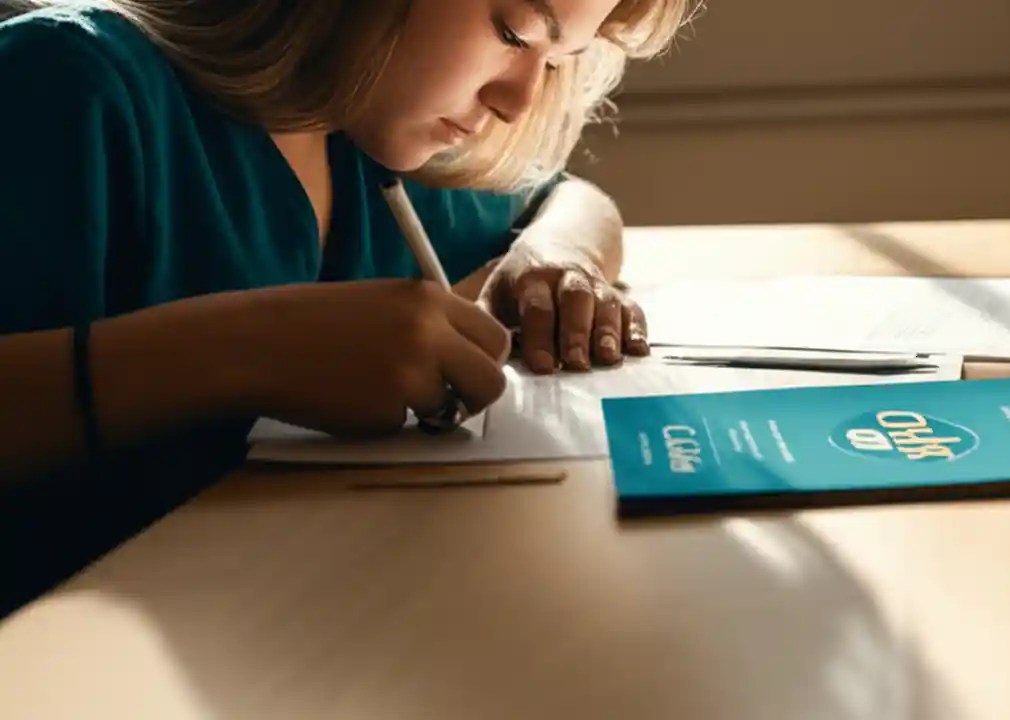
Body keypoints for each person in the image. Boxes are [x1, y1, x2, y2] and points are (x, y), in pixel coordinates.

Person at [0, 0, 691, 615]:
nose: (517, 99)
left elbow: (572, 200)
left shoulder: (362, 143)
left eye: (559, 59)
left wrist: (555, 257)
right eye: (513, 31)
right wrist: (245, 351)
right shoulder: (68, 83)